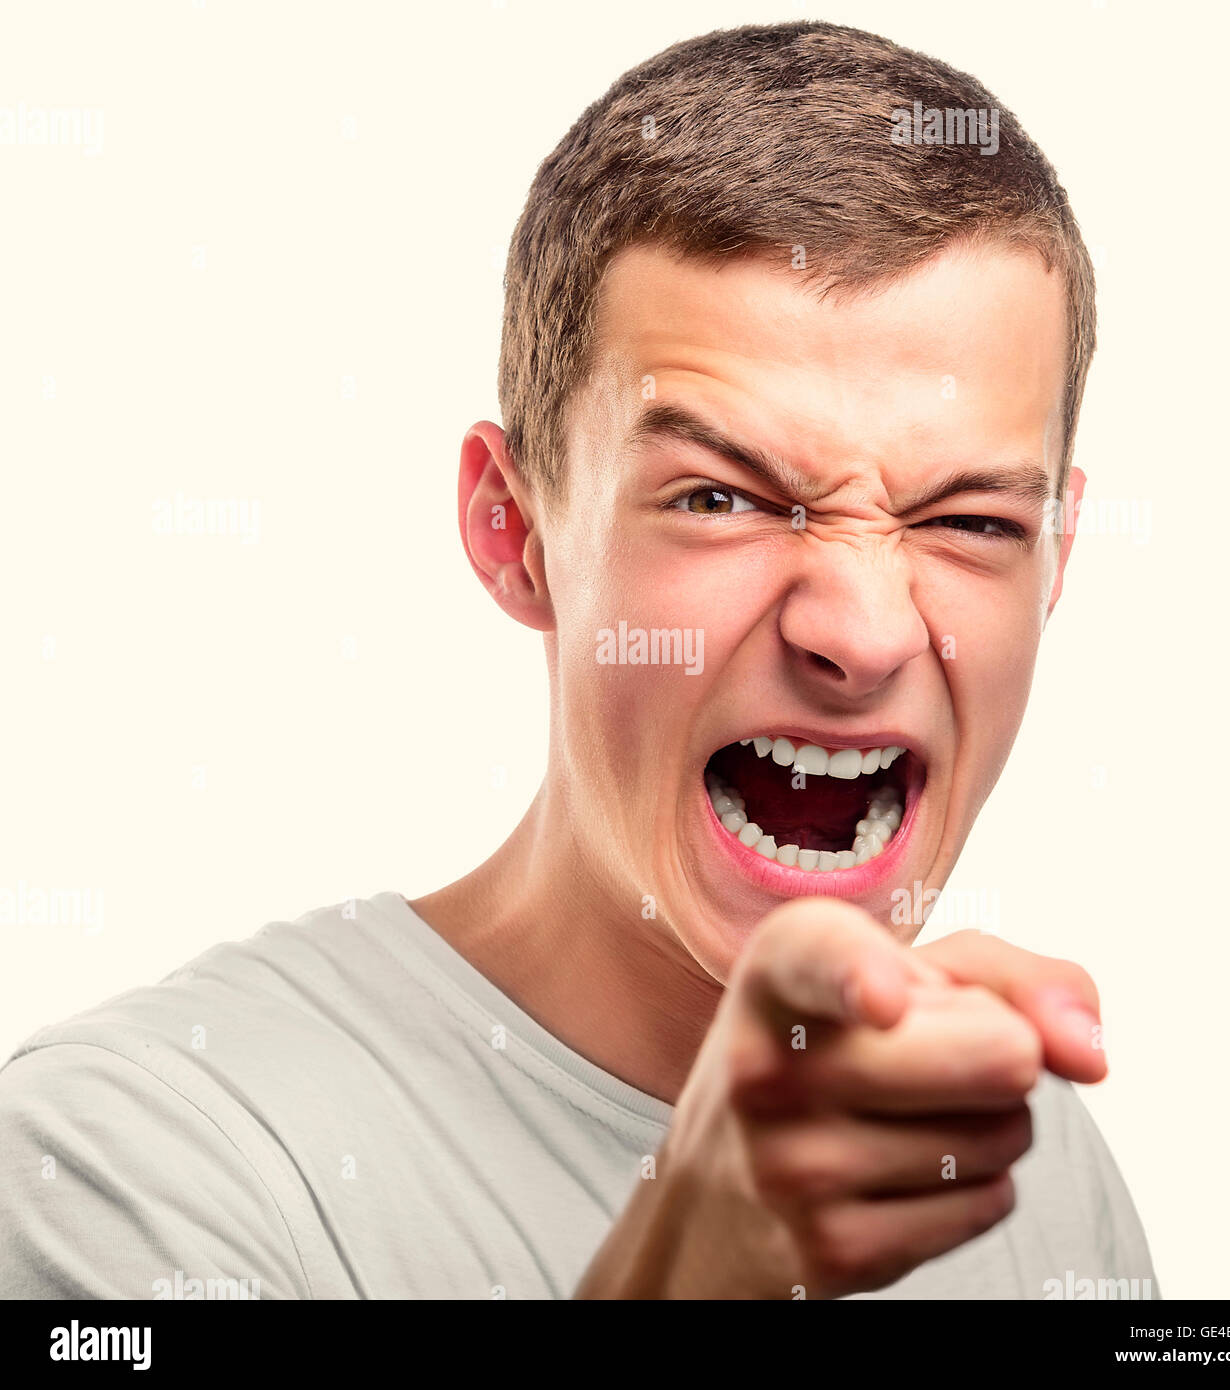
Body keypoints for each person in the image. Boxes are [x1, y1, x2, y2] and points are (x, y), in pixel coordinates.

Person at [0, 21, 1157, 1300]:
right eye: (720, 499)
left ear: (1055, 558)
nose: (863, 630)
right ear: (514, 531)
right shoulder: (138, 1164)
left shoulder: (1026, 1165)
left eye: (969, 523)